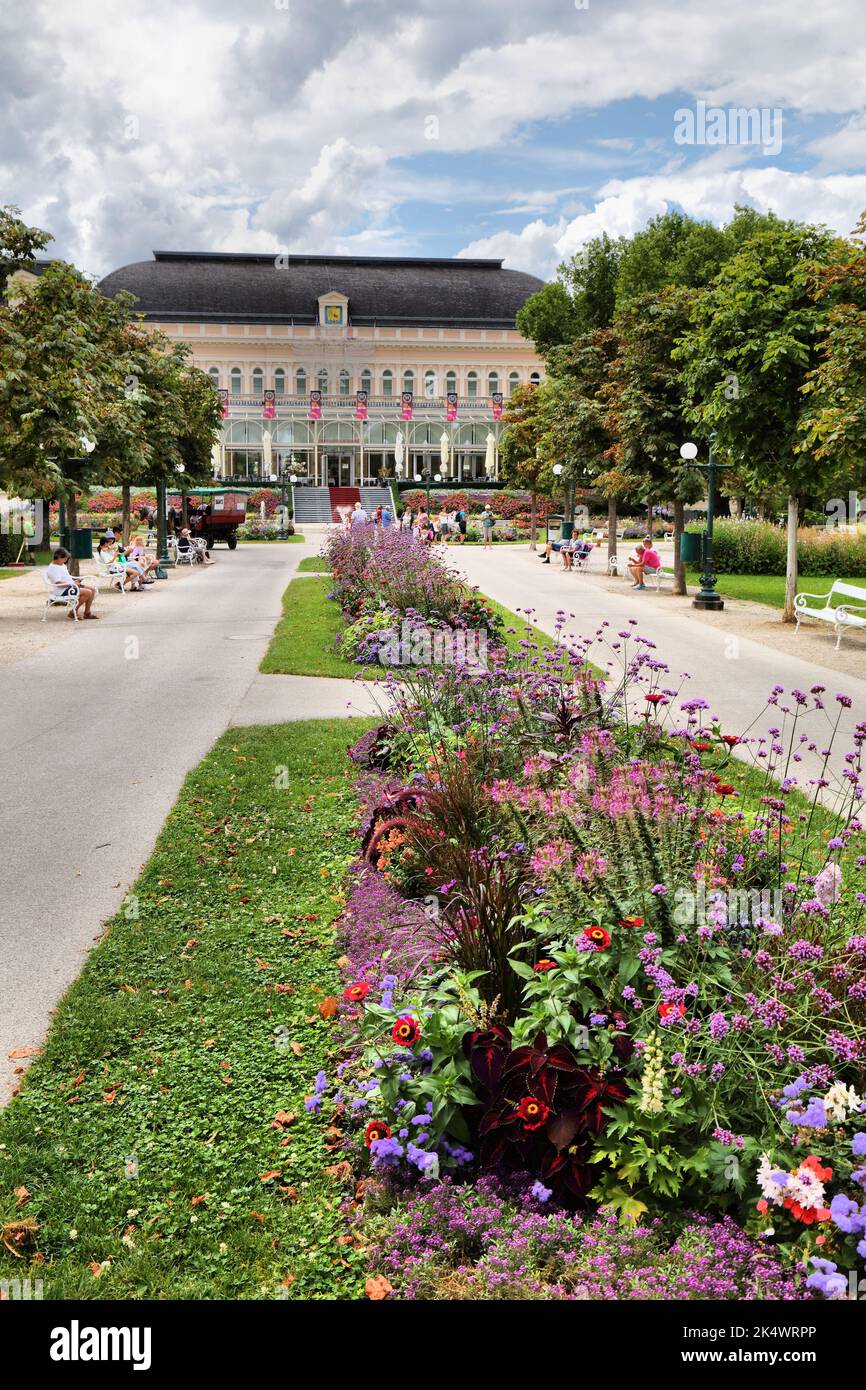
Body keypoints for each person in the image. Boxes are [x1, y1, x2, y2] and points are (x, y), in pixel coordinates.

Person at [46, 547, 99, 619]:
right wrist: (73, 584)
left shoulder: (60, 565)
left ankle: (87, 612)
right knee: (88, 592)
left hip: (70, 587)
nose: (65, 561)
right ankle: (73, 612)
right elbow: (58, 583)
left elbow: (66, 578)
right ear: (59, 558)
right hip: (62, 590)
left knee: (92, 590)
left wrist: (74, 582)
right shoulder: (54, 568)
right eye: (65, 559)